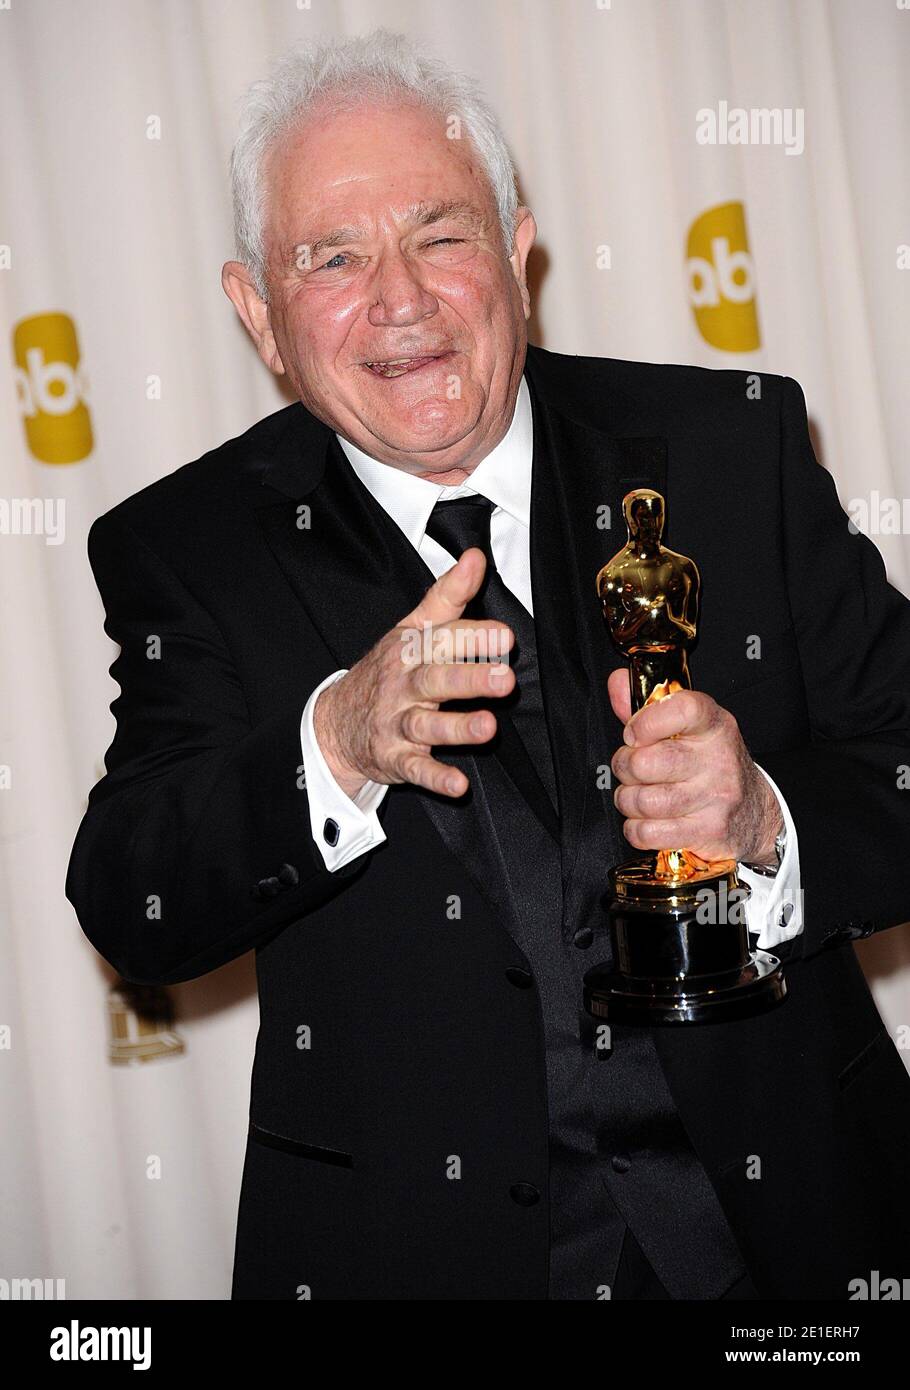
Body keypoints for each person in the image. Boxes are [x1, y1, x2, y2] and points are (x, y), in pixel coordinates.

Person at [66, 29, 910, 1300]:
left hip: (797, 1244)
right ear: (258, 314)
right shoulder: (190, 549)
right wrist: (336, 744)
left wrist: (765, 821)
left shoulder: (728, 447)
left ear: (518, 250)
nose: (398, 298)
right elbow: (136, 902)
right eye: (332, 257)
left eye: (440, 233)